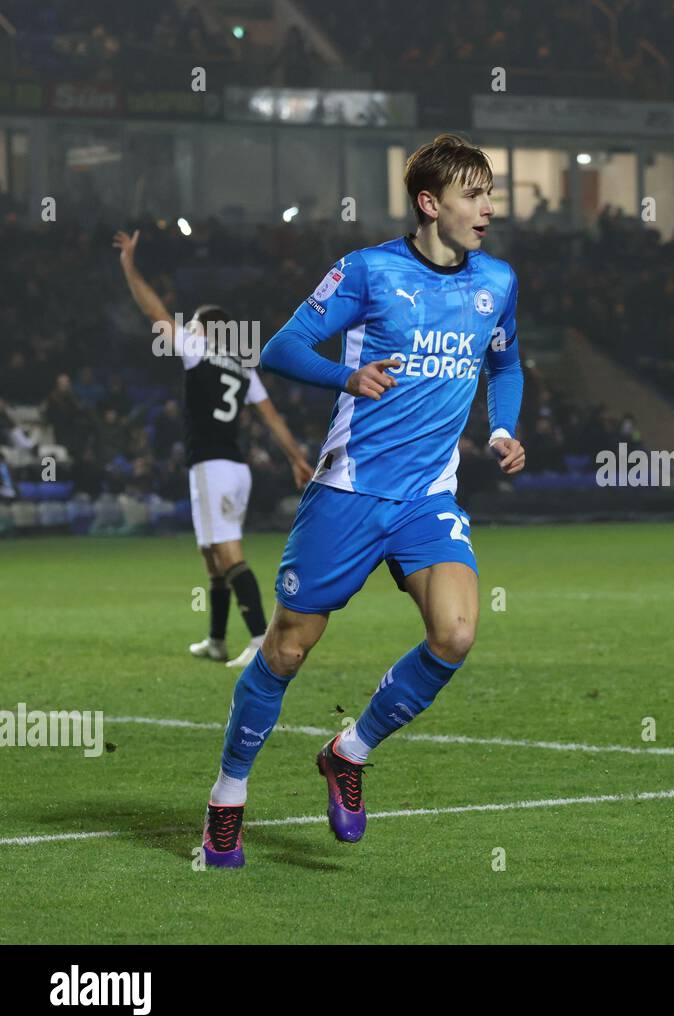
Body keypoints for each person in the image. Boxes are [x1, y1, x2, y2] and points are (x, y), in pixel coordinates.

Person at [201, 134, 526, 867]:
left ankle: (349, 752)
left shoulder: (497, 282)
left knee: (458, 632)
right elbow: (280, 348)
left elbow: (506, 361)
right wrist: (345, 379)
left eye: (489, 192)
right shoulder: (368, 272)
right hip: (348, 492)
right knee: (286, 648)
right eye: (474, 194)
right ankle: (227, 799)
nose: (488, 208)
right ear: (429, 202)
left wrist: (502, 426)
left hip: (427, 499)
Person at [113, 230, 315, 668]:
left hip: (212, 465)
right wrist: (297, 459)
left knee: (227, 553)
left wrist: (129, 266)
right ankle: (217, 640)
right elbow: (272, 418)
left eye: (193, 323)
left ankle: (262, 637)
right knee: (212, 556)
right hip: (233, 467)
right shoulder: (243, 366)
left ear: (204, 329)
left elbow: (154, 311)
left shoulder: (198, 349)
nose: (187, 328)